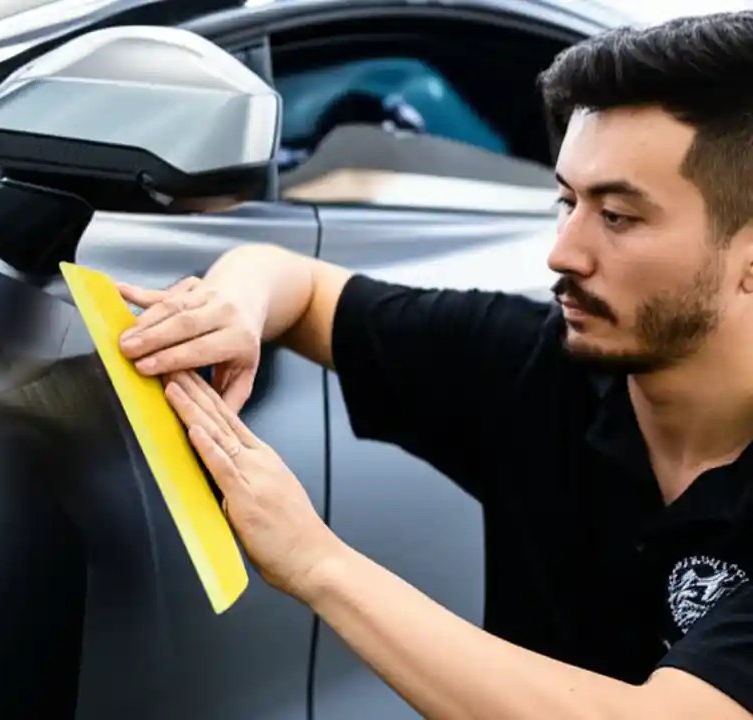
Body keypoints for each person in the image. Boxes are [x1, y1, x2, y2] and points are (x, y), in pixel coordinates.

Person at [115, 10, 753, 719]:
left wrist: (316, 561)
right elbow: (288, 279)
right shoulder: (536, 365)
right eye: (567, 201)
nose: (562, 252)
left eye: (618, 217)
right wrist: (233, 310)